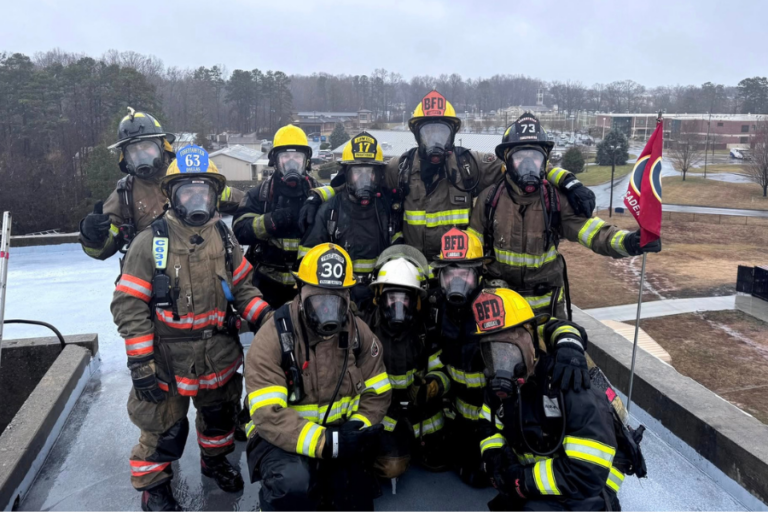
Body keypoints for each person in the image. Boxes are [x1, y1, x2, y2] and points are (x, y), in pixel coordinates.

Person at [110, 146, 272, 511]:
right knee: (163, 428)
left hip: (217, 353)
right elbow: (128, 304)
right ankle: (155, 487)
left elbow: (244, 287)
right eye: (188, 191)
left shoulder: (224, 238)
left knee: (219, 418)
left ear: (215, 195)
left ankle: (214, 462)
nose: (197, 199)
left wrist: (264, 317)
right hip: (168, 358)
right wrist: (140, 363)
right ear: (171, 195)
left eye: (204, 191)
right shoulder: (150, 242)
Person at [298, 91, 596, 263]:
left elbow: (521, 165)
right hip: (412, 270)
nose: (435, 141)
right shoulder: (399, 168)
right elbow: (355, 180)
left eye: (442, 132)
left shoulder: (470, 165)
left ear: (453, 133)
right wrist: (319, 195)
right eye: (429, 132)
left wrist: (567, 181)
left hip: (456, 271)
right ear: (417, 134)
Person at [244, 243, 391, 511]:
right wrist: (325, 443)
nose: (327, 313)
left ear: (347, 299)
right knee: (293, 483)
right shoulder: (272, 337)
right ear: (301, 294)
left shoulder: (359, 333)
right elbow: (268, 414)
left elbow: (378, 390)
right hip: (279, 440)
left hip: (338, 433)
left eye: (335, 303)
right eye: (319, 302)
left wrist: (357, 426)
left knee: (357, 498)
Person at [469, 112, 661, 319]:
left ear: (545, 161)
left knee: (568, 349)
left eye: (534, 157)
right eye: (519, 158)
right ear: (507, 161)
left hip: (547, 311)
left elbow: (592, 232)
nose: (528, 165)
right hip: (502, 309)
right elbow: (473, 248)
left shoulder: (556, 200)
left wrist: (629, 242)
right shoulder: (489, 200)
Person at [472, 287, 644, 510]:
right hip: (545, 473)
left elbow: (587, 471)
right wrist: (495, 458)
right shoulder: (500, 388)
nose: (502, 364)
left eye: (509, 351)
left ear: (532, 340)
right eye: (492, 355)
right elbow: (488, 424)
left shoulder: (567, 382)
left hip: (592, 484)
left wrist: (522, 481)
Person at [79, 107, 243, 261]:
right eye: (133, 151)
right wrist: (93, 237)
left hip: (203, 266)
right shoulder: (125, 194)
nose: (141, 155)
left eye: (146, 147)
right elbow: (102, 249)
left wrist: (258, 203)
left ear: (163, 145)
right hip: (154, 276)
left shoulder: (186, 176)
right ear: (125, 158)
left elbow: (238, 201)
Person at [233, 124, 335, 308]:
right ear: (275, 161)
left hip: (311, 285)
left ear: (306, 161)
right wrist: (270, 222)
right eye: (285, 156)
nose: (291, 162)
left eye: (297, 156)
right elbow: (240, 229)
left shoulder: (321, 194)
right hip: (268, 287)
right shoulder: (260, 195)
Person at [368, 256, 451, 482]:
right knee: (390, 467)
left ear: (416, 301)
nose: (397, 306)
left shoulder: (426, 329)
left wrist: (432, 386)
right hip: (387, 415)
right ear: (379, 299)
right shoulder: (368, 332)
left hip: (422, 415)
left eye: (404, 299)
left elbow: (441, 370)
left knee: (446, 457)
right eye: (391, 298)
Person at [299, 132, 398, 313]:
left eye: (369, 172)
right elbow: (307, 259)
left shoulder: (388, 210)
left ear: (378, 175)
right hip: (338, 298)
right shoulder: (330, 211)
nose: (363, 179)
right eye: (357, 172)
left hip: (377, 298)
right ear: (347, 175)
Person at [428, 227, 493, 486]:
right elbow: (437, 358)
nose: (456, 283)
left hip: (493, 419)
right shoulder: (438, 312)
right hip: (458, 416)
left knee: (484, 474)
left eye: (464, 275)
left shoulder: (496, 308)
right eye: (449, 275)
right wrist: (435, 382)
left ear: (478, 275)